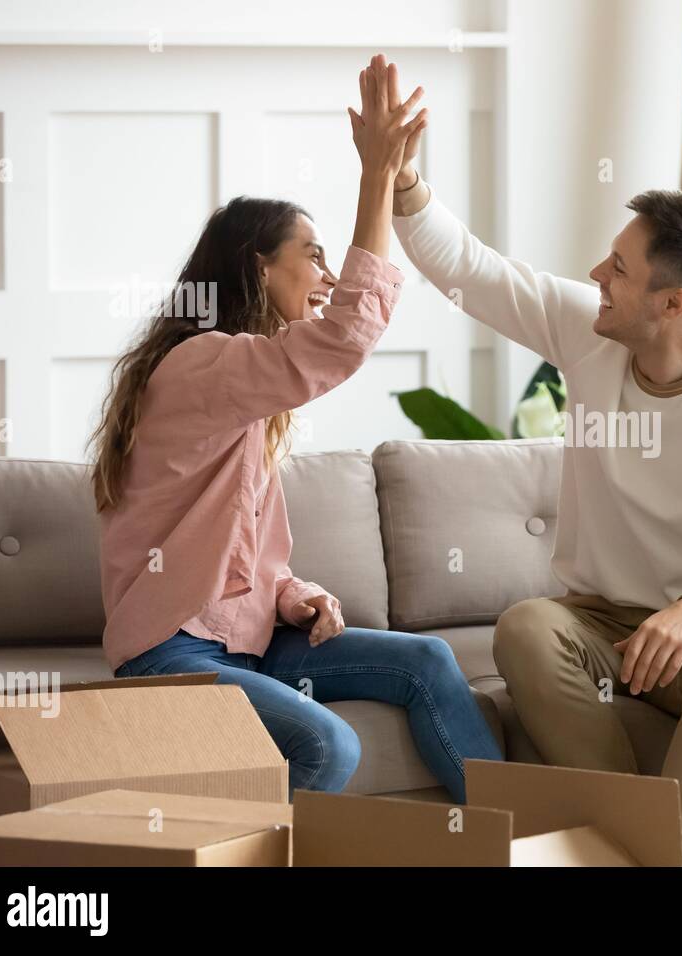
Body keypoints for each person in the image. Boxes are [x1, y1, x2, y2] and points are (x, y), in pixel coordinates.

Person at [388, 124, 682, 865]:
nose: (597, 272)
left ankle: (654, 856)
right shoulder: (588, 331)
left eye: (619, 269)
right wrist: (403, 180)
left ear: (670, 303)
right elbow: (470, 268)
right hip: (593, 622)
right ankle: (642, 848)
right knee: (526, 626)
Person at [91, 56, 501, 804]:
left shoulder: (241, 395)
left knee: (428, 661)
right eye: (311, 255)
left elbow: (243, 560)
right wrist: (378, 176)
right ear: (255, 269)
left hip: (245, 645)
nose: (329, 275)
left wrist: (296, 595)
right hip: (169, 655)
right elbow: (345, 338)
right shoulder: (198, 365)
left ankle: (519, 838)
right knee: (324, 740)